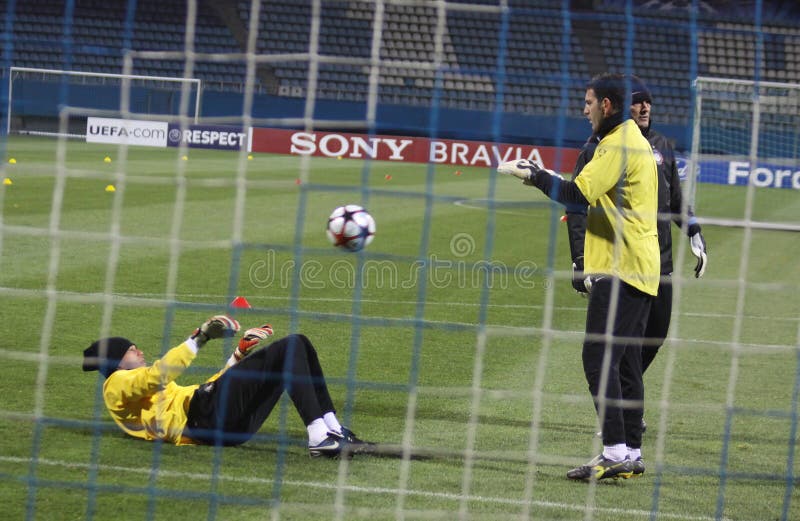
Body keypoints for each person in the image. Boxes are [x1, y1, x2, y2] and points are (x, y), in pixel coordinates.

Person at [498, 73, 660, 481]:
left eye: (588, 101)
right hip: (640, 266)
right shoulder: (631, 140)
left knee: (597, 356)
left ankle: (614, 452)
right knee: (625, 364)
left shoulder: (618, 143)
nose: (584, 109)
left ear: (606, 105)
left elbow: (576, 196)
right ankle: (632, 454)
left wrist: (533, 175)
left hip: (622, 269)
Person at [566, 76, 708, 437]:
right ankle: (621, 419)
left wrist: (692, 229)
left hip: (659, 262)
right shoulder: (599, 147)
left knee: (653, 337)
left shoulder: (662, 146)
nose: (645, 108)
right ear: (618, 107)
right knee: (618, 349)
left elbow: (675, 197)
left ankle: (622, 404)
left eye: (648, 102)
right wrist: (580, 260)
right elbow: (578, 205)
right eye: (637, 102)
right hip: (620, 264)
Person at [82, 315, 373, 457]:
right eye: (133, 350)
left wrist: (238, 354)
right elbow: (159, 374)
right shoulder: (115, 385)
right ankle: (319, 437)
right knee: (293, 344)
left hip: (218, 422)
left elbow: (202, 389)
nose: (140, 352)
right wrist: (198, 338)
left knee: (301, 346)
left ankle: (332, 429)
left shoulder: (138, 392)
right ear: (116, 361)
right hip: (206, 417)